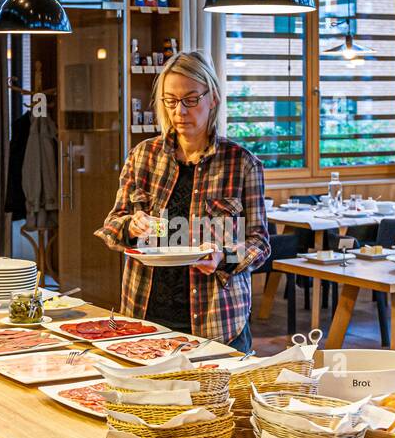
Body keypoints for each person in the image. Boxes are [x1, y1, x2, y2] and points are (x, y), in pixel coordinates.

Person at [96, 50, 269, 352]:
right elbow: (113, 226)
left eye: (191, 100)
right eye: (170, 101)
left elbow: (260, 242)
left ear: (212, 97)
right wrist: (133, 226)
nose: (180, 112)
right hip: (145, 313)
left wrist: (223, 257)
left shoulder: (241, 164)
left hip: (217, 320)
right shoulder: (143, 157)